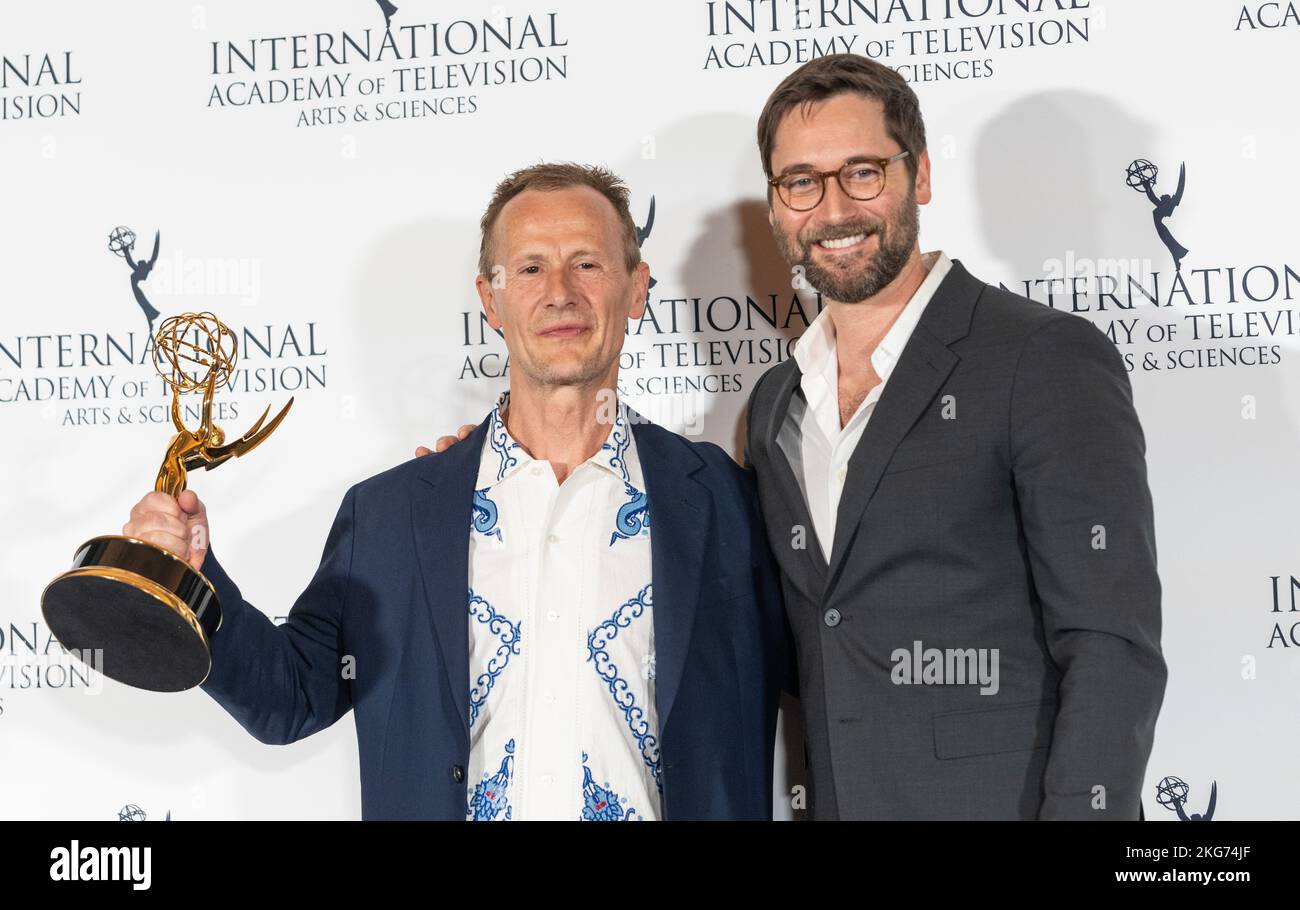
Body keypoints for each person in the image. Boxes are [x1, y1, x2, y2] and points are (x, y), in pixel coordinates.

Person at [122, 162, 787, 821]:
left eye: (586, 263)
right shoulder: (391, 515)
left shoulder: (727, 504)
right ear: (490, 299)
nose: (560, 292)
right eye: (529, 268)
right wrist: (190, 581)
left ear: (637, 289)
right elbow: (290, 697)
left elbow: (825, 675)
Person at [747, 54, 1166, 819]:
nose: (833, 208)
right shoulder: (777, 402)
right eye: (801, 181)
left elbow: (1111, 645)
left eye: (863, 172)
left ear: (922, 176)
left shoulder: (1040, 358)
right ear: (775, 205)